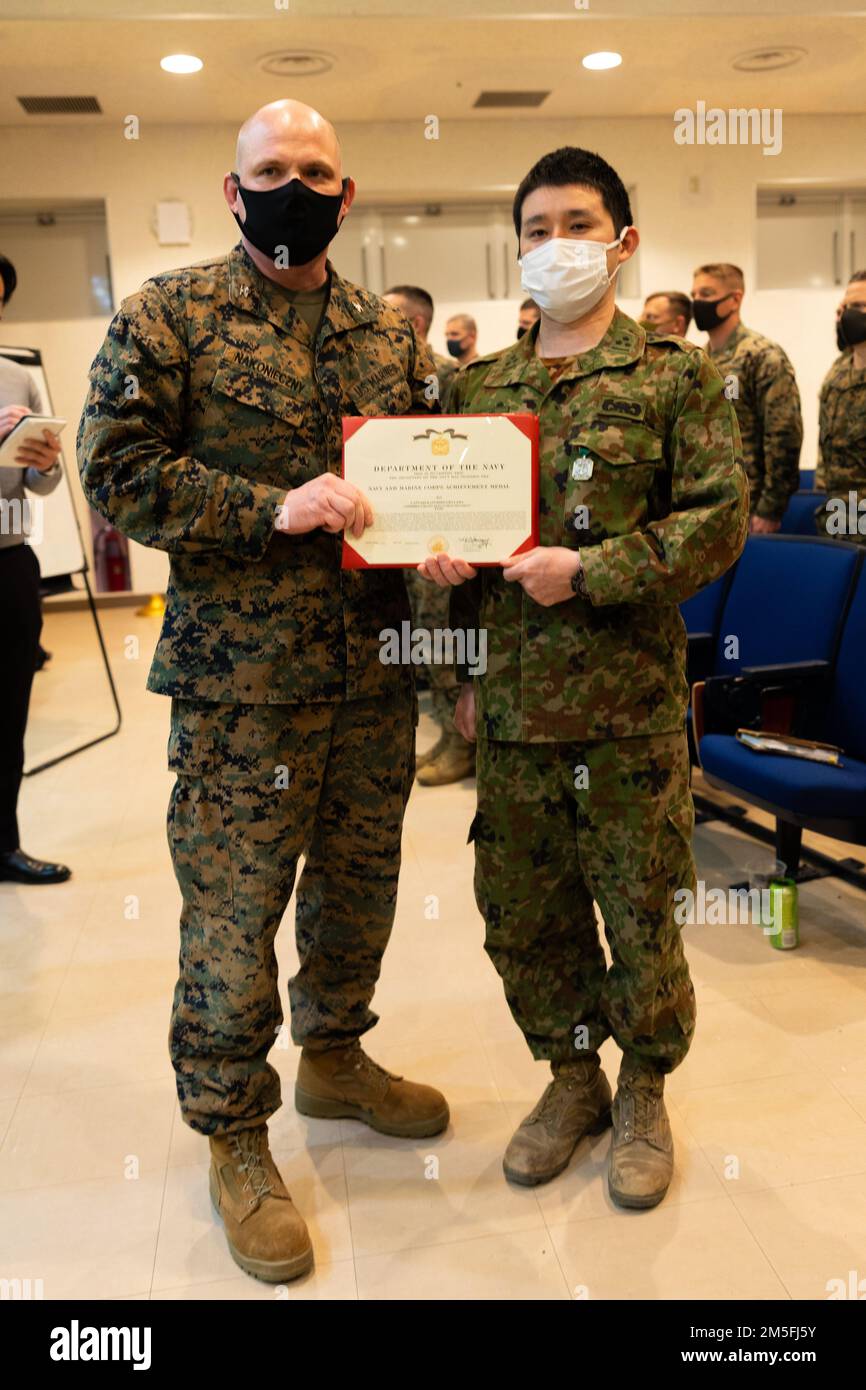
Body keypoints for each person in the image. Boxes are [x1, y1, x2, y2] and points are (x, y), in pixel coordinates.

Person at [78, 99, 449, 1286]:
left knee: (360, 889)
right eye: (270, 169)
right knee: (233, 921)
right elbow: (112, 464)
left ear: (346, 195)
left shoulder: (385, 334)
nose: (295, 184)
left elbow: (446, 467)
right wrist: (266, 509)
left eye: (317, 170)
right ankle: (235, 1131)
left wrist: (449, 541)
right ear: (235, 194)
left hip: (373, 678)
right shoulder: (168, 316)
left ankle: (334, 1054)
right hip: (243, 692)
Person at [421, 146, 747, 1208]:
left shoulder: (672, 377)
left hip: (625, 710)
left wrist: (593, 570)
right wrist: (445, 596)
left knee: (639, 904)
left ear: (621, 240)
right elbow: (453, 549)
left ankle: (644, 1087)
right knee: (523, 914)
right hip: (512, 712)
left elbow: (715, 522)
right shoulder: (479, 387)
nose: (552, 245)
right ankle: (572, 1079)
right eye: (533, 228)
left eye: (574, 223)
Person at [382, 286, 472, 784]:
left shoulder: (448, 377)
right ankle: (443, 731)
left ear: (415, 324)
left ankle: (462, 743)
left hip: (443, 534)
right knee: (420, 638)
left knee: (443, 639)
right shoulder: (378, 375)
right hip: (398, 531)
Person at [0, 253, 70, 886]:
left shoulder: (15, 377)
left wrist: (44, 461)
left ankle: (4, 843)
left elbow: (36, 483)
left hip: (8, 562)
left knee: (9, 712)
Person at [692, 262, 801, 531]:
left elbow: (783, 433)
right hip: (707, 507)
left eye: (705, 294)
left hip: (751, 509)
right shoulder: (699, 360)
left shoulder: (762, 355)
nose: (697, 303)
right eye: (693, 295)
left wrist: (770, 508)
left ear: (735, 299)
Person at [814, 270, 866, 544]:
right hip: (839, 524)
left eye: (859, 307)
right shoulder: (839, 370)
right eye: (847, 307)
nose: (848, 315)